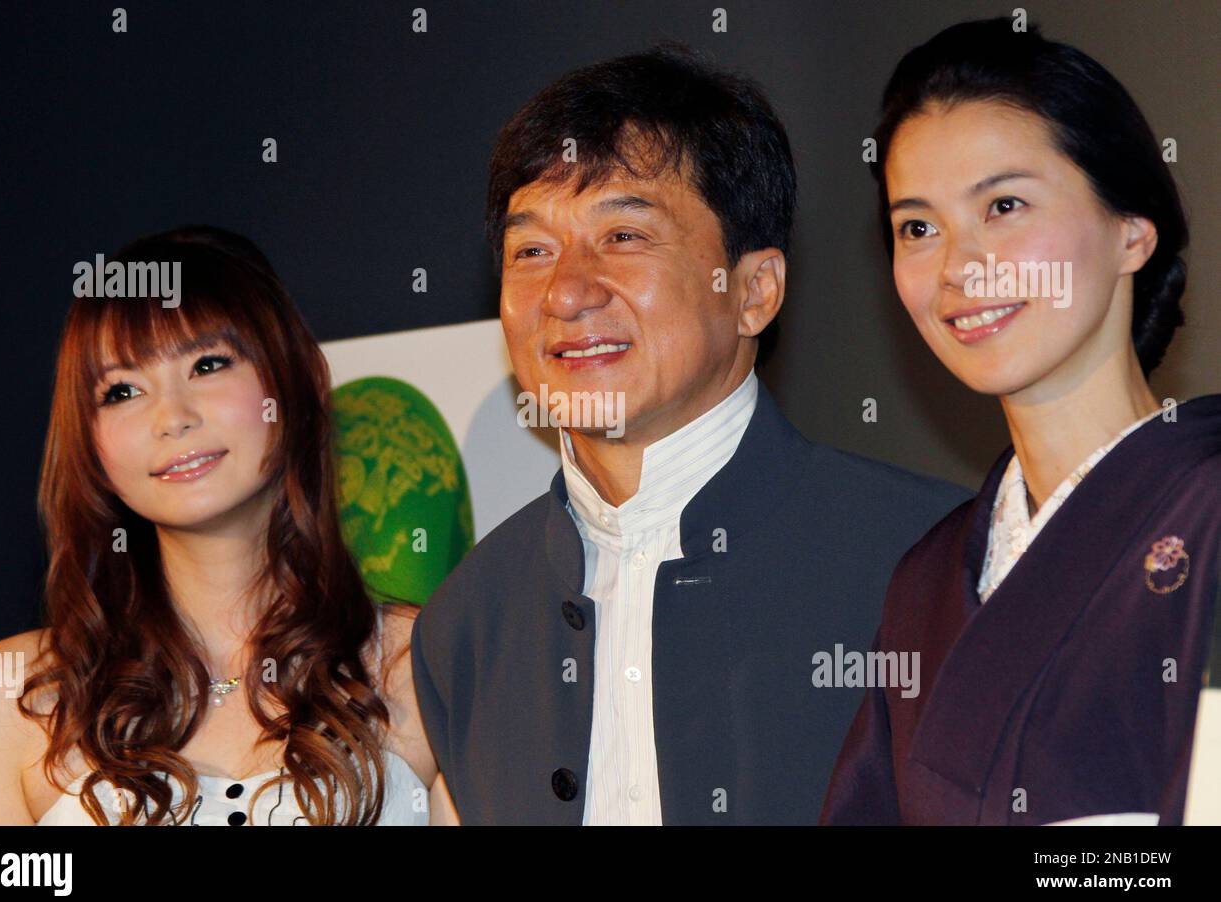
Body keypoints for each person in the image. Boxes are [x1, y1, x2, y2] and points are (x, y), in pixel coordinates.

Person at [410, 44, 971, 825]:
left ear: (754, 291)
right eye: (530, 251)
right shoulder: (467, 622)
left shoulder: (935, 561)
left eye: (625, 237)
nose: (566, 292)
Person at [821, 18, 1221, 826]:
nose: (959, 267)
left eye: (1003, 205)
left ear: (1131, 232)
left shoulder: (1207, 511)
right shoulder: (927, 582)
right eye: (918, 228)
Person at [0, 226, 445, 825]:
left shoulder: (421, 665)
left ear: (299, 377)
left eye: (207, 364)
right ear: (89, 441)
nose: (171, 417)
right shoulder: (14, 700)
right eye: (122, 390)